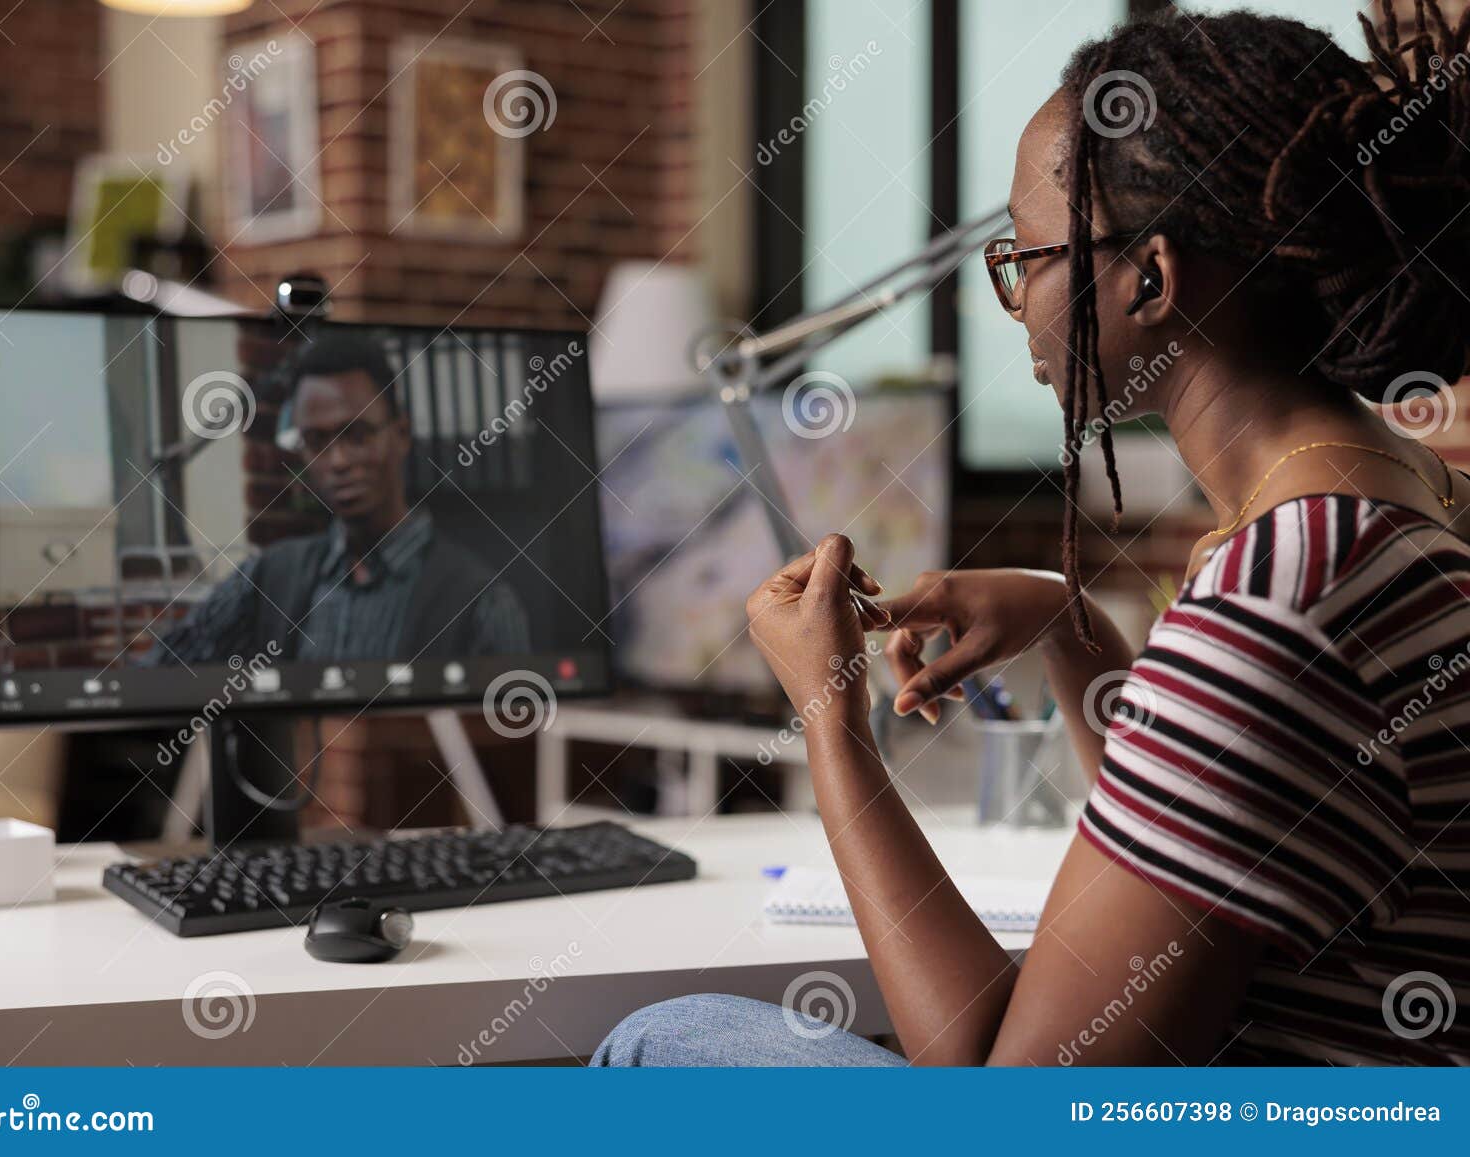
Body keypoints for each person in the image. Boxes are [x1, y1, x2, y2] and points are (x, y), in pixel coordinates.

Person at [594, 3, 1470, 1066]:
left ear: (1151, 279)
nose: (1012, 303)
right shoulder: (1410, 506)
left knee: (663, 1037)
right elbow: (1203, 857)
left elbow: (1018, 1107)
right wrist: (1069, 621)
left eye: (1026, 254)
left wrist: (828, 717)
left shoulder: (1278, 595)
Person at [146, 333, 529, 665]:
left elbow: (512, 726)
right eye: (317, 441)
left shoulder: (478, 603)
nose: (339, 461)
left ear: (401, 434)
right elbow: (157, 677)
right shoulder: (269, 580)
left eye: (358, 435)